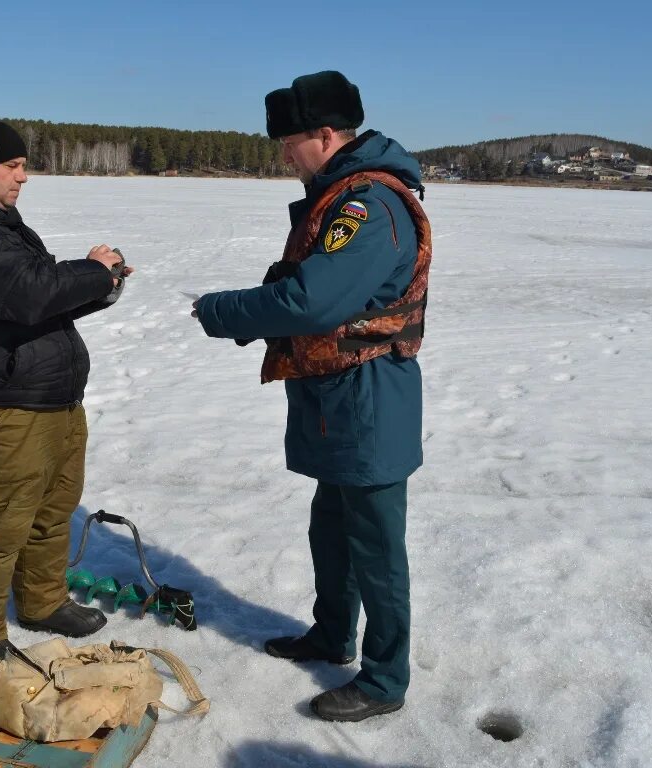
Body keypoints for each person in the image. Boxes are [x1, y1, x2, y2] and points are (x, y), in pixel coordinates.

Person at [193, 71, 431, 722]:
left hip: (370, 400)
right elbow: (309, 289)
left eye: (288, 142)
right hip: (338, 400)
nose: (283, 156)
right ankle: (332, 635)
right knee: (331, 531)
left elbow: (312, 299)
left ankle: (384, 680)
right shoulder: (339, 195)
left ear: (326, 135)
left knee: (376, 549)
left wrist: (223, 311)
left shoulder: (368, 205)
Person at [0, 118, 131, 674]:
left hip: (53, 399)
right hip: (5, 405)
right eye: (13, 166)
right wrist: (92, 269)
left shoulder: (3, 226)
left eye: (23, 165)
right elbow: (31, 293)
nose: (24, 176)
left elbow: (37, 301)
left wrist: (102, 284)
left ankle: (42, 603)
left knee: (51, 510)